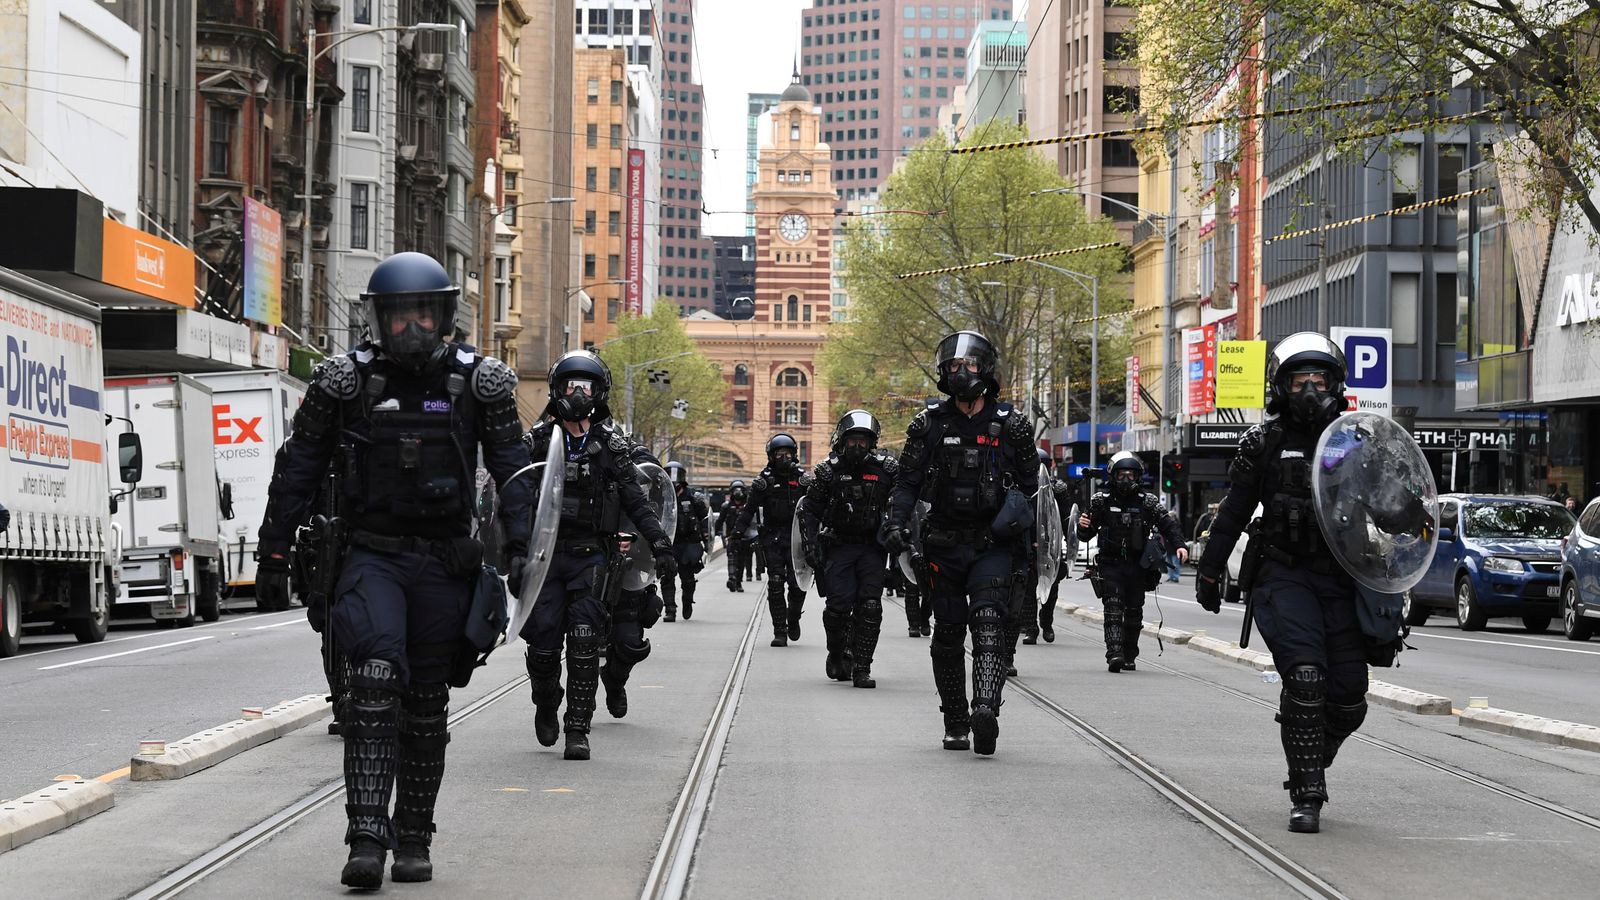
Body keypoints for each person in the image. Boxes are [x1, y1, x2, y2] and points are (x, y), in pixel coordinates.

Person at [254, 252, 532, 888]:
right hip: (371, 555)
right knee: (373, 690)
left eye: (422, 315)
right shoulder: (341, 382)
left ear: (443, 316)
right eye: (399, 316)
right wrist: (272, 551)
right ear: (379, 319)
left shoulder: (480, 382)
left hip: (445, 563)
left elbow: (516, 473)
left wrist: (520, 551)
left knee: (427, 709)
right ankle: (366, 838)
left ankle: (414, 838)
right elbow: (297, 466)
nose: (411, 328)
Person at [1194, 332, 1368, 835]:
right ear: (1281, 386)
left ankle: (1315, 746)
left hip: (1343, 576)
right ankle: (1307, 789)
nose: (1310, 389)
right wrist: (1210, 568)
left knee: (1350, 696)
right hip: (1283, 573)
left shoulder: (1359, 440)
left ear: (1337, 384)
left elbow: (1389, 499)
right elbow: (1233, 512)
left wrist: (1416, 521)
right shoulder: (1264, 441)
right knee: (1306, 677)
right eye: (1299, 379)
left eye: (1320, 379)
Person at [884, 331, 1036, 756]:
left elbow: (1033, 491)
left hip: (993, 544)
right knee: (948, 633)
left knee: (988, 622)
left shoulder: (1013, 425)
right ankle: (955, 721)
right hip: (943, 544)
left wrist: (1030, 542)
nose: (959, 372)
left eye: (967, 365)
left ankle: (986, 710)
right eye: (952, 365)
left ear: (985, 369)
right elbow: (906, 483)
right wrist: (896, 526)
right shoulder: (928, 423)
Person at [520, 351, 675, 762]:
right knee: (543, 646)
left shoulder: (611, 446)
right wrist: (509, 549)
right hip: (545, 559)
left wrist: (660, 544)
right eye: (570, 386)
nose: (578, 393)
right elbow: (509, 496)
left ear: (599, 392)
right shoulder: (535, 442)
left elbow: (637, 502)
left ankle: (578, 728)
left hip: (590, 556)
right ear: (557, 391)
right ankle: (545, 701)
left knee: (586, 640)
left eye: (586, 386)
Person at [801, 410, 897, 688]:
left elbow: (904, 501)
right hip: (838, 546)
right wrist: (809, 545)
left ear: (872, 443)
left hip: (872, 548)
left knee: (870, 606)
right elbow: (809, 509)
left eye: (863, 441)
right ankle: (836, 652)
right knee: (838, 607)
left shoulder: (885, 470)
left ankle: (862, 666)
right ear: (842, 441)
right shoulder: (827, 471)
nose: (858, 446)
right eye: (853, 440)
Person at [1076, 452, 1186, 673]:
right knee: (1113, 609)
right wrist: (1083, 524)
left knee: (1134, 613)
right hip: (1111, 564)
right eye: (1121, 475)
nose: (1126, 480)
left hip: (1137, 566)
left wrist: (1180, 545)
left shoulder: (1149, 503)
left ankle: (1129, 655)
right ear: (1112, 476)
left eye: (1130, 475)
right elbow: (1084, 535)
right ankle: (1114, 654)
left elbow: (1168, 525)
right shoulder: (1100, 501)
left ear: (1138, 477)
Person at [736, 434, 809, 646]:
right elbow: (749, 510)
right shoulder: (763, 481)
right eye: (779, 454)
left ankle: (793, 617)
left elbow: (814, 509)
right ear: (771, 456)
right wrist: (737, 534)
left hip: (796, 538)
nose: (783, 458)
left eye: (787, 454)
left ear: (794, 455)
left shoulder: (803, 479)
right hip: (773, 538)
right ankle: (780, 630)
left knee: (797, 585)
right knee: (776, 583)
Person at [1027, 451, 1073, 645]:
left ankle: (1046, 623)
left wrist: (1064, 497)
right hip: (1029, 546)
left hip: (1050, 548)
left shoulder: (1057, 490)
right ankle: (1030, 628)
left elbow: (1066, 518)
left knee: (1052, 589)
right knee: (1027, 591)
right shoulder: (1024, 487)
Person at [661, 462, 712, 621]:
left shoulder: (694, 498)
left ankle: (687, 601)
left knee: (688, 579)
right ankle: (670, 609)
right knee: (667, 576)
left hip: (689, 543)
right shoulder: (661, 496)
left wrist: (705, 542)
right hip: (669, 542)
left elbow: (706, 521)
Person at [717, 480, 753, 591]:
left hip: (744, 537)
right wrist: (718, 534)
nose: (738, 492)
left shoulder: (748, 507)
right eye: (735, 490)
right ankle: (732, 578)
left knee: (741, 561)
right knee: (732, 558)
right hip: (731, 537)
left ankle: (738, 582)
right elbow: (719, 521)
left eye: (740, 490)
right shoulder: (726, 506)